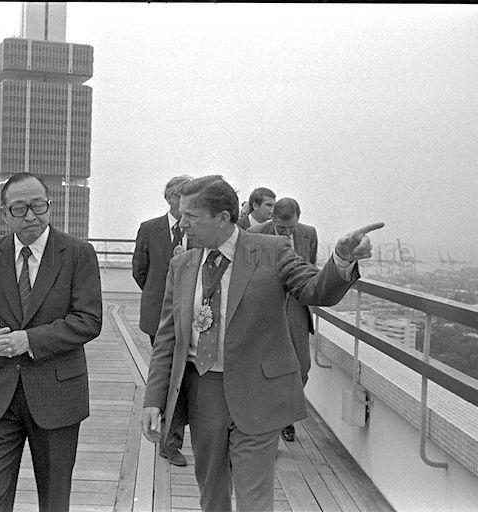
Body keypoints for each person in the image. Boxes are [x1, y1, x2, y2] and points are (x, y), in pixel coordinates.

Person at [141, 175, 382, 511]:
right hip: (202, 392)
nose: (181, 224)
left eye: (190, 217)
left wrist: (341, 261)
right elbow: (168, 339)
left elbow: (314, 290)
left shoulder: (272, 251)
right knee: (211, 493)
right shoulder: (182, 264)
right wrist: (154, 399)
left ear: (222, 218)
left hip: (257, 391)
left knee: (254, 499)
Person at [0, 172, 103, 512]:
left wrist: (28, 340)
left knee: (54, 503)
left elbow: (89, 320)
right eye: (20, 208)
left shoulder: (77, 253)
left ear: (49, 206)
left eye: (38, 206)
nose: (31, 216)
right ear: (4, 213)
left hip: (57, 398)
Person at [132, 174, 193, 467]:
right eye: (185, 197)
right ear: (170, 198)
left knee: (189, 379)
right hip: (159, 316)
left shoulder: (199, 229)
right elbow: (139, 270)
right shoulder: (150, 229)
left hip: (197, 317)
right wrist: (162, 296)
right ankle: (170, 442)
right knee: (169, 377)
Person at [249, 197, 318, 443]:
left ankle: (284, 415)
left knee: (302, 367)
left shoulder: (309, 234)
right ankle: (275, 420)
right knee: (266, 367)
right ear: (273, 219)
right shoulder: (255, 233)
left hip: (297, 308)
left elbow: (310, 274)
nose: (287, 232)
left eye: (291, 228)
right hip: (267, 308)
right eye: (282, 227)